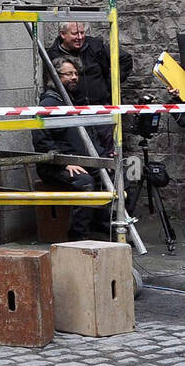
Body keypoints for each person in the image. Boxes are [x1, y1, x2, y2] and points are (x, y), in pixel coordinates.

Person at [33, 56, 111, 240]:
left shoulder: (77, 101)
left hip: (84, 160)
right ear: (55, 77)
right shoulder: (48, 105)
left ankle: (107, 228)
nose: (74, 77)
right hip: (57, 165)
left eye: (75, 73)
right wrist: (64, 163)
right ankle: (78, 236)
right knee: (85, 183)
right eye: (68, 74)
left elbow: (91, 136)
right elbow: (41, 141)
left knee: (118, 177)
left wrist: (104, 157)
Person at [48, 22, 132, 151]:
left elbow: (124, 59)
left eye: (82, 33)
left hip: (102, 108)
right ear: (63, 34)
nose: (80, 37)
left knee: (111, 151)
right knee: (85, 151)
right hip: (76, 113)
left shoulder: (95, 46)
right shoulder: (53, 55)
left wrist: (109, 85)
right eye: (75, 33)